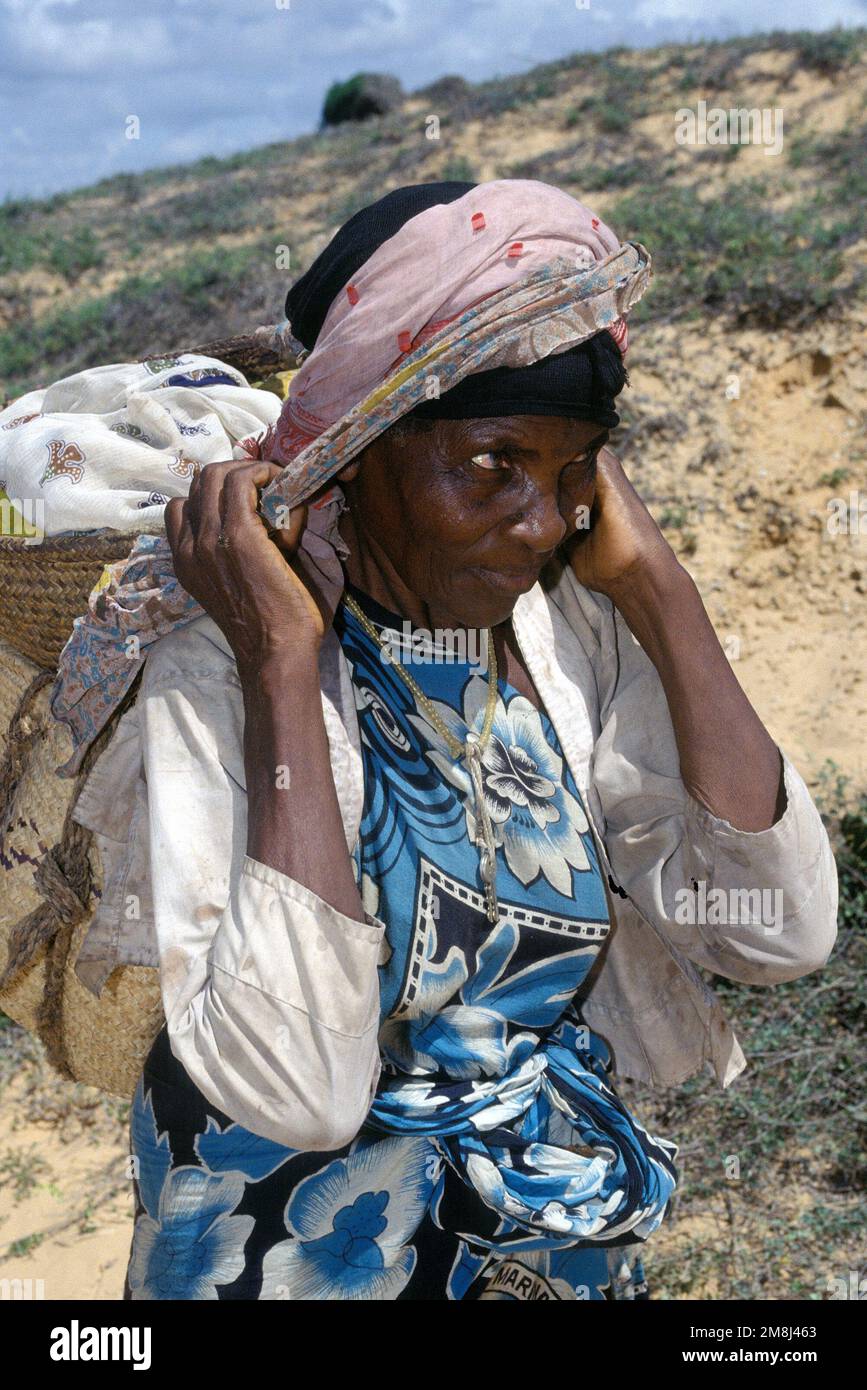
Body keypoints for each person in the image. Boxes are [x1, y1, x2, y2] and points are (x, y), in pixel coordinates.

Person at [63, 180, 837, 1300]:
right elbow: (300, 1088)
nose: (537, 521)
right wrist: (284, 662)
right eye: (491, 461)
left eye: (572, 471)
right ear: (363, 447)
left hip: (531, 1254)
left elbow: (779, 931)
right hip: (279, 1260)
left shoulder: (560, 630)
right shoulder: (222, 658)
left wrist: (663, 595)